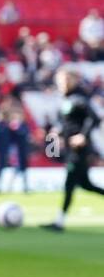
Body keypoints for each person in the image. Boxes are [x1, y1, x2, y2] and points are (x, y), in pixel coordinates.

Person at [42, 68, 103, 231]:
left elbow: (94, 118)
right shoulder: (65, 100)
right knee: (86, 185)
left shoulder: (79, 98)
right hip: (70, 149)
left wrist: (82, 135)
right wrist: (58, 132)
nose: (63, 83)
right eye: (61, 81)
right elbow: (66, 123)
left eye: (66, 80)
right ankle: (59, 221)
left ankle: (59, 222)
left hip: (80, 150)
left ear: (74, 80)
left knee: (70, 182)